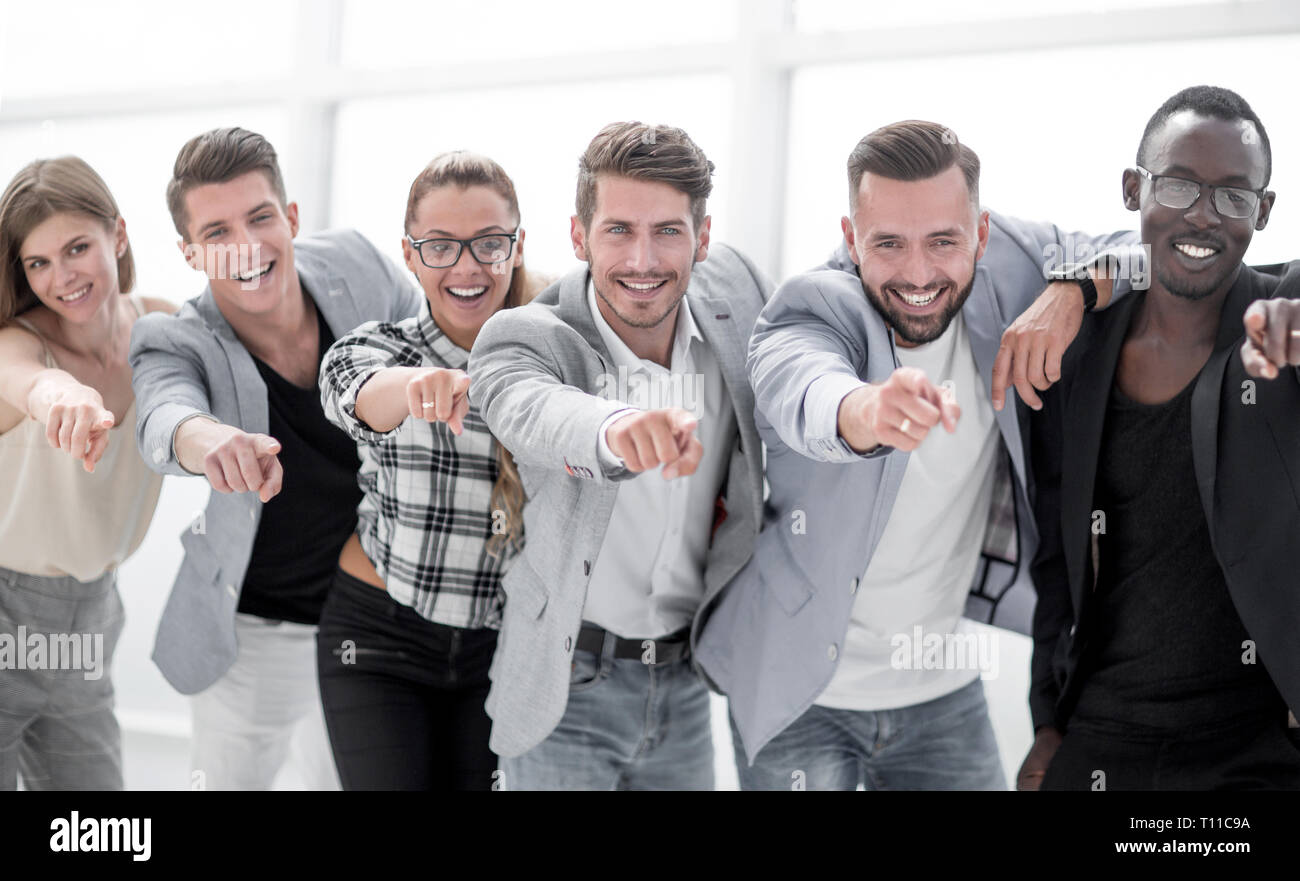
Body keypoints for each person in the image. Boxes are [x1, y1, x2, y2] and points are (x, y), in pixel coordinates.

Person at [694, 120, 1140, 790]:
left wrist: (1074, 288)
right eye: (888, 244)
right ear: (850, 239)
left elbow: (1157, 252)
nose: (919, 272)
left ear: (980, 234)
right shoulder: (810, 307)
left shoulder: (1017, 261)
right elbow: (803, 389)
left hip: (942, 685)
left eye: (943, 241)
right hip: (801, 694)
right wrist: (867, 412)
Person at [468, 121, 770, 790]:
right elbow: (536, 411)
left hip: (686, 687)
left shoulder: (740, 294)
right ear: (579, 237)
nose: (643, 259)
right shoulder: (526, 335)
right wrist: (619, 430)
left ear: (704, 236)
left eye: (668, 231)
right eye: (618, 231)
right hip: (567, 687)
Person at [1022, 86, 1300, 791]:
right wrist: (1047, 721)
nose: (1203, 215)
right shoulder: (1074, 352)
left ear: (1263, 213)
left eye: (1235, 196)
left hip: (1255, 743)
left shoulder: (1278, 323)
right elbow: (1056, 555)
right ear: (1131, 188)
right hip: (1103, 733)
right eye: (1178, 184)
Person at [128, 127, 420, 790]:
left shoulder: (357, 266)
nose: (246, 249)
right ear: (190, 252)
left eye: (260, 217)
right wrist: (209, 441)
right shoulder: (177, 338)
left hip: (369, 616)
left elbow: (436, 342)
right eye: (218, 233)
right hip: (254, 631)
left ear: (290, 217)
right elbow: (163, 415)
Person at [317, 151, 539, 790]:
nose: (466, 267)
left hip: (497, 653)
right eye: (440, 246)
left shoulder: (552, 357)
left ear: (517, 247)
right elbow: (354, 394)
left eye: (488, 244)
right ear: (410, 255)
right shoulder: (377, 347)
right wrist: (417, 385)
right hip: (378, 640)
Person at [0, 156, 173, 790]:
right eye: (37, 263)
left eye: (77, 248)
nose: (61, 278)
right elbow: (24, 377)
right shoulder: (18, 341)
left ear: (118, 236)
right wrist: (58, 395)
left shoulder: (162, 326)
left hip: (90, 617)